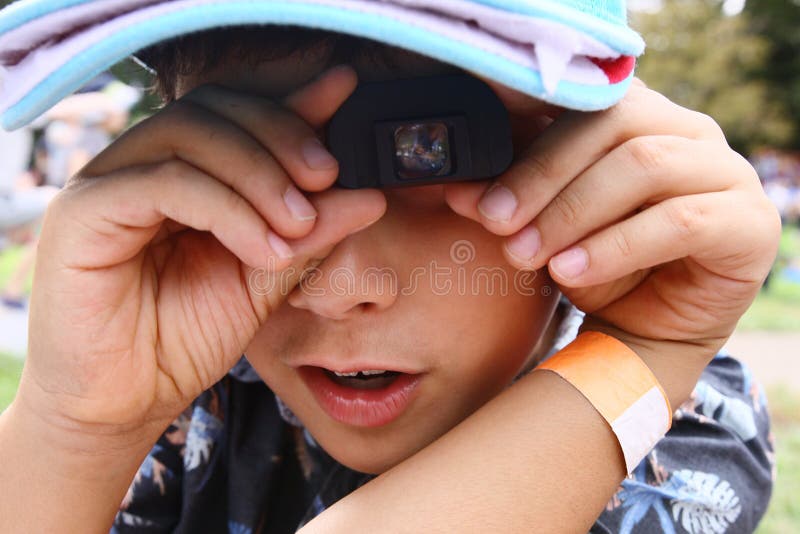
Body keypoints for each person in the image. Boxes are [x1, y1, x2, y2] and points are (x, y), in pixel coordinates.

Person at [0, 1, 780, 533]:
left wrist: (650, 350)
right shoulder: (198, 393)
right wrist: (77, 427)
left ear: (591, 162)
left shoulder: (666, 415)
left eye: (430, 155)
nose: (339, 290)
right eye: (248, 166)